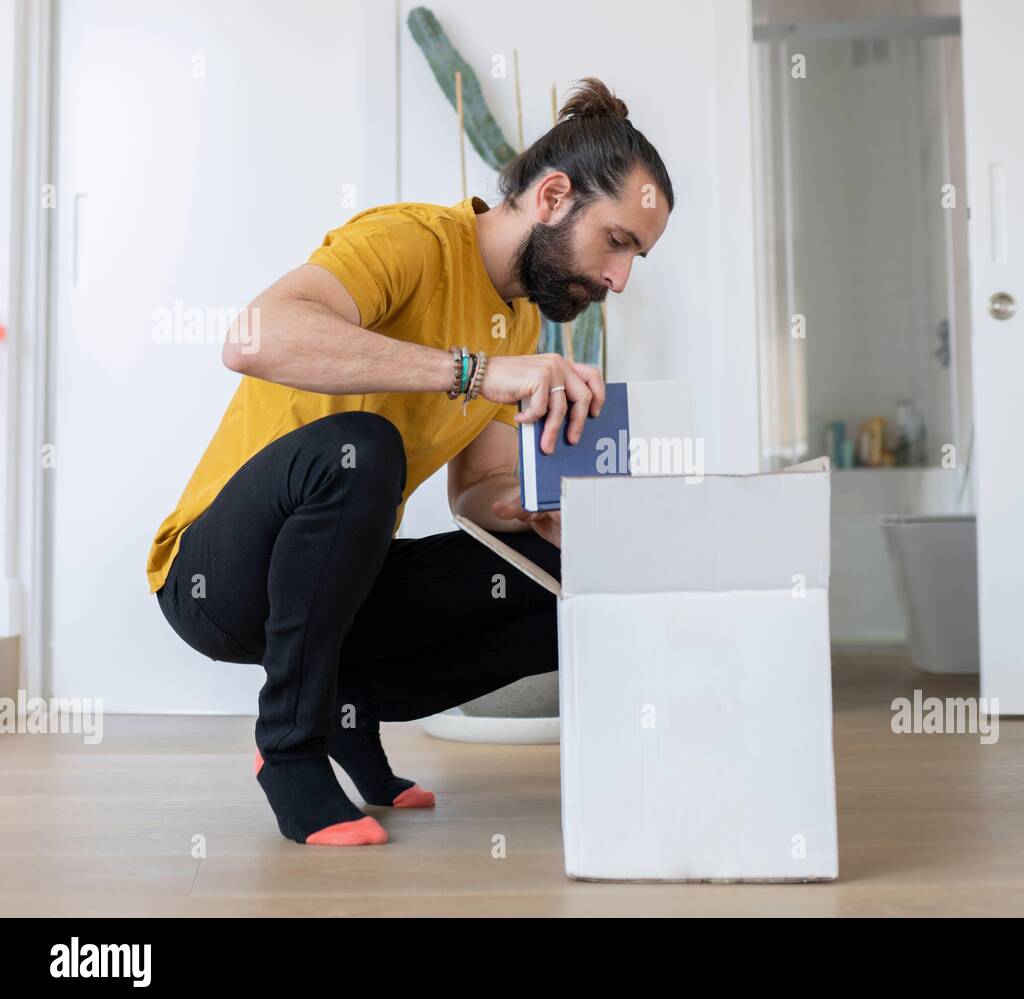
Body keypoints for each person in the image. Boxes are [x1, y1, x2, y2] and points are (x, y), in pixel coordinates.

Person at [146, 77, 674, 846]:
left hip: (333, 587)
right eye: (618, 241)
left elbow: (477, 492)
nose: (618, 278)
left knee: (560, 582)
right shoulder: (413, 241)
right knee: (363, 448)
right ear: (554, 195)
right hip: (215, 579)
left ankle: (344, 706)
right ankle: (288, 748)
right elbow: (254, 337)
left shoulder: (520, 315)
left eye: (636, 258)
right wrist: (478, 372)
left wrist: (537, 509)